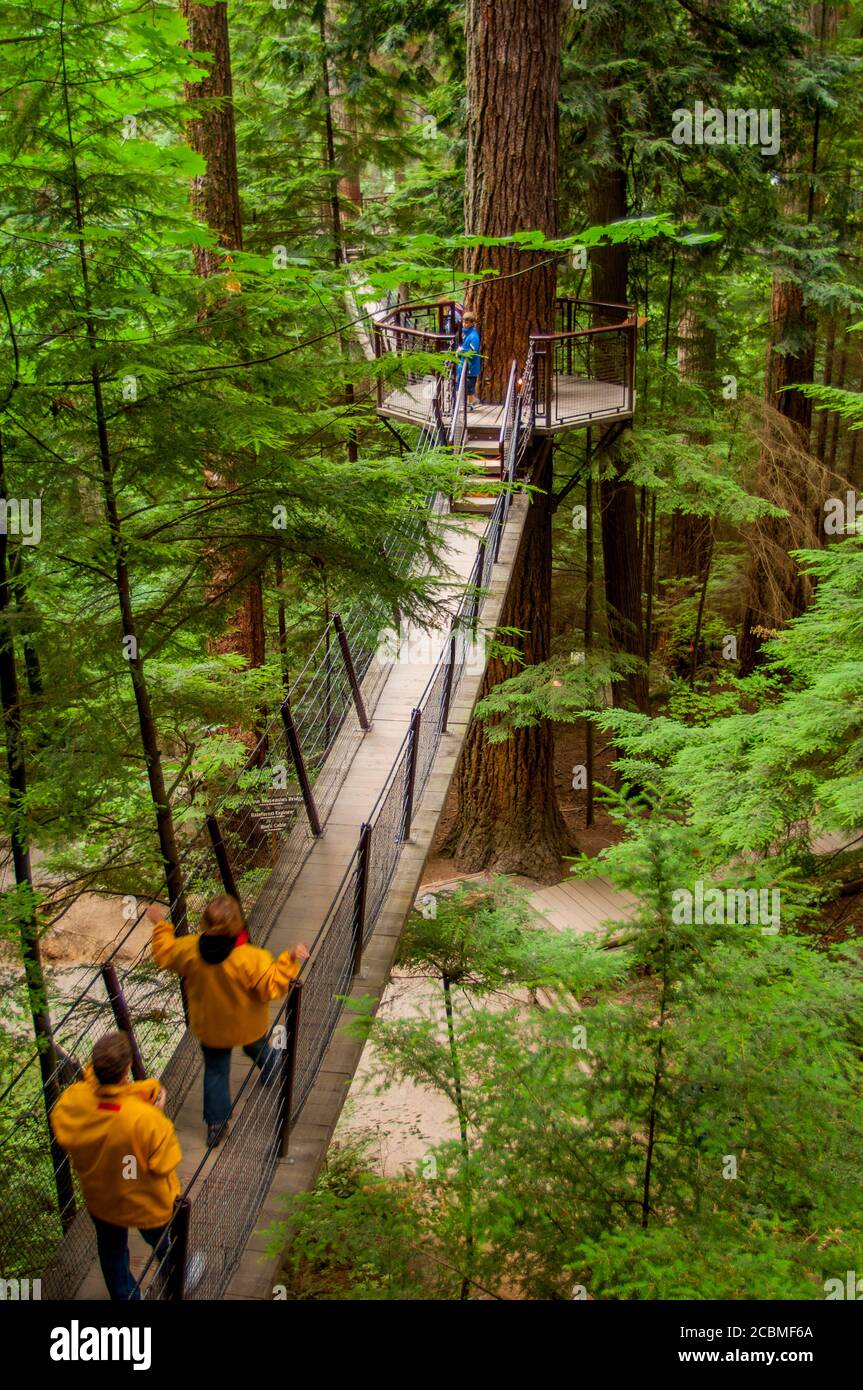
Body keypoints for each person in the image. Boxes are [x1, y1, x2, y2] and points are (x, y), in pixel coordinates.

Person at [148, 896, 309, 1147]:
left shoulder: (190, 949)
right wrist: (289, 957)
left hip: (211, 1027)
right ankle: (272, 1065)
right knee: (254, 1044)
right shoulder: (250, 958)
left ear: (205, 922)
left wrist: (160, 923)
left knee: (215, 1070)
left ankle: (216, 1124)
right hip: (247, 1024)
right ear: (237, 923)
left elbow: (165, 953)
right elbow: (273, 987)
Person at [50, 1030, 182, 1301]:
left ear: (95, 1067)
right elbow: (164, 1162)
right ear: (127, 1069)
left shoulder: (74, 1102)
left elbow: (87, 1114)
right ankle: (176, 1270)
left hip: (102, 1197)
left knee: (111, 1251)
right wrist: (155, 1113)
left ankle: (126, 1297)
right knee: (162, 1237)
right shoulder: (144, 1118)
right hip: (144, 1198)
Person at [458, 310, 482, 409]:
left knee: (469, 387)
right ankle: (467, 402)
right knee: (464, 385)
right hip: (464, 364)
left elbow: (472, 351)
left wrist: (461, 350)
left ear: (472, 323)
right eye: (464, 322)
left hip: (471, 367)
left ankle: (470, 404)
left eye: (467, 322)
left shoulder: (474, 336)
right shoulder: (466, 334)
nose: (464, 324)